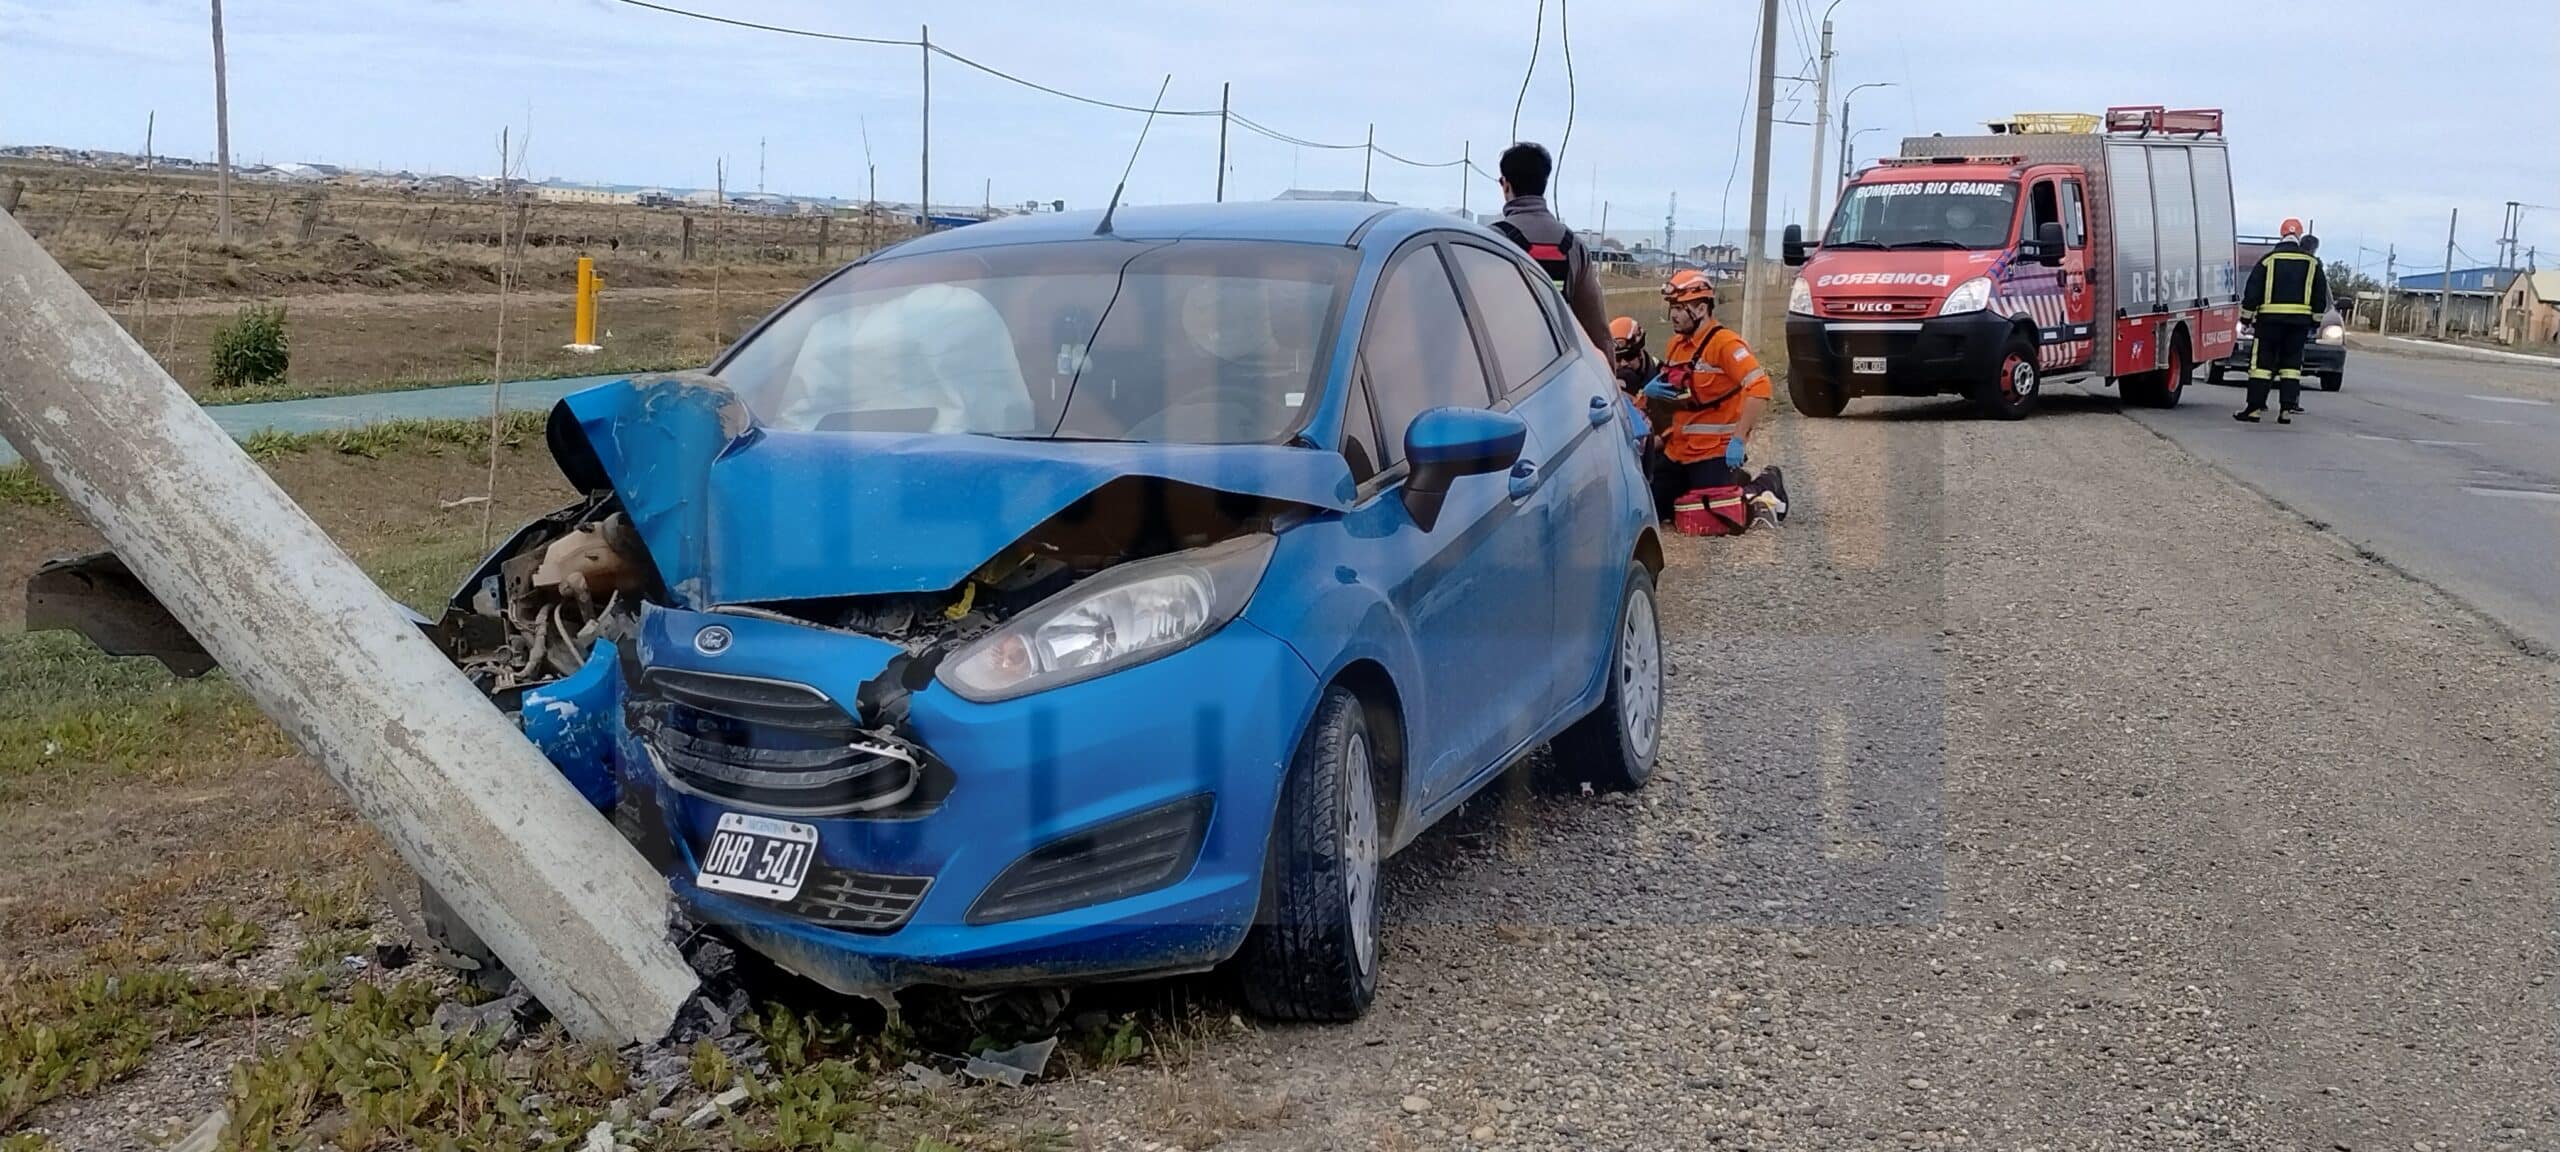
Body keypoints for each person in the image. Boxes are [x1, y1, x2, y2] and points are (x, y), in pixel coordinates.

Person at [1639, 270, 1788, 527]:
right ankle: (1731, 481)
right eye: (1672, 307)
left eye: (1679, 308)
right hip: (1679, 452)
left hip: (1715, 451)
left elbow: (1760, 388)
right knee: (1650, 510)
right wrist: (1648, 393)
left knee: (1718, 517)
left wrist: (1738, 440)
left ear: (1700, 309)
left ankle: (1767, 483)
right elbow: (1673, 388)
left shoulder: (1726, 344)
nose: (1672, 314)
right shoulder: (1676, 344)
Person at [1489, 142, 1611, 350]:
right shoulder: (1574, 247)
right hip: (1558, 365)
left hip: (1505, 366)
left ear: (1506, 184)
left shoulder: (1491, 240)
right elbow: (1598, 332)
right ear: (1544, 183)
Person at [2235, 218, 2330, 425]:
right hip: (2298, 325)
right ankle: (2286, 409)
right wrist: (2314, 322)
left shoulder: (2268, 260)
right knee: (2291, 367)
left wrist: (2246, 318)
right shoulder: (2312, 264)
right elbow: (2319, 296)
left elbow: (2253, 292)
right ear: (2299, 235)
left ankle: (2254, 410)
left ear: (2281, 234)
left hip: (2269, 323)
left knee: (2261, 366)